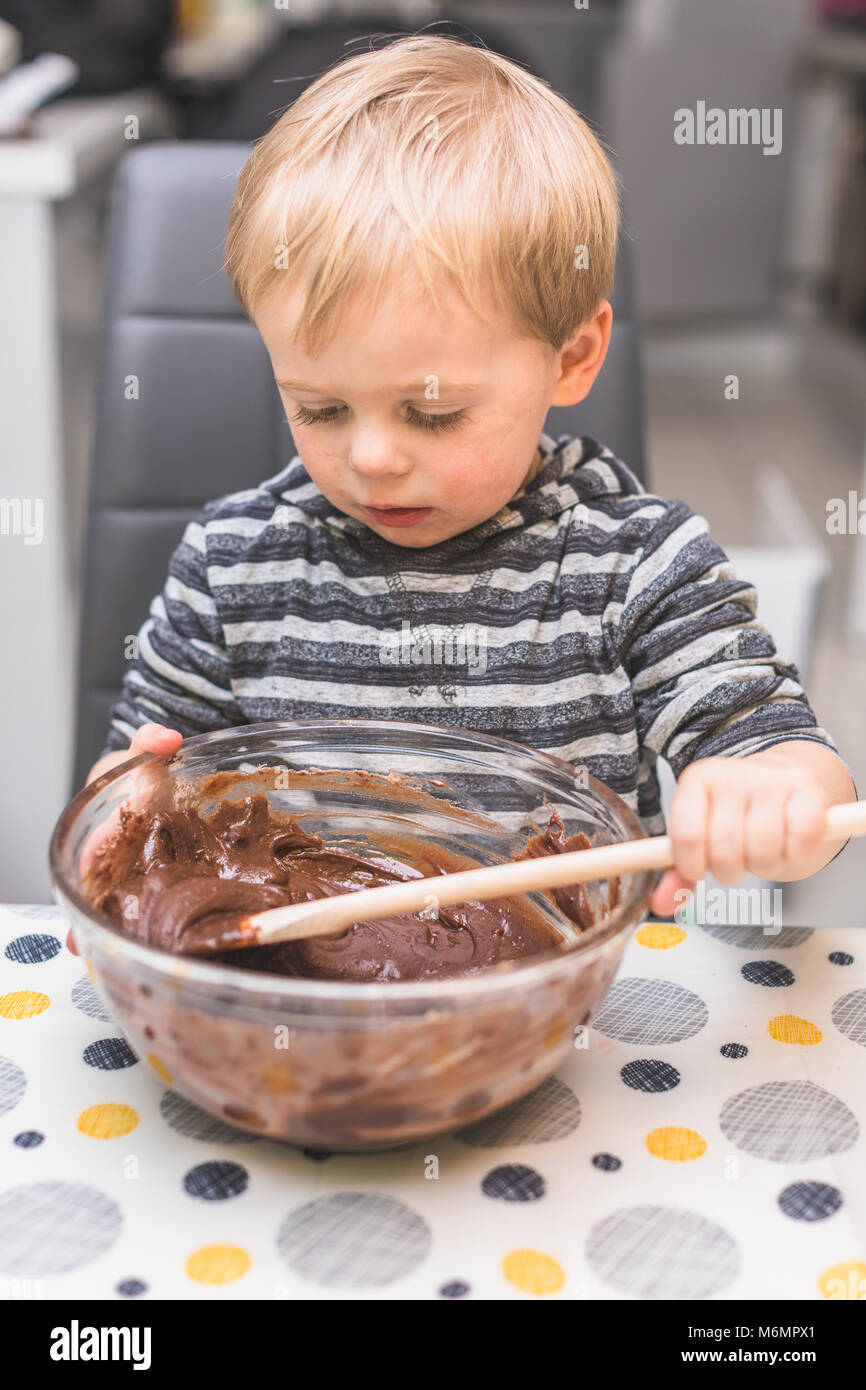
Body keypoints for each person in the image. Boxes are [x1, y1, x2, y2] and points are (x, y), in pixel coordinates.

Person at [69, 35, 855, 957]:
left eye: (432, 413)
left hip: (560, 1015)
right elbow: (134, 782)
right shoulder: (230, 569)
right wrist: (120, 824)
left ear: (573, 356)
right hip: (287, 1012)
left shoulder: (638, 566)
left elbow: (797, 770)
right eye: (318, 407)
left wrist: (777, 797)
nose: (371, 457)